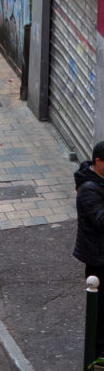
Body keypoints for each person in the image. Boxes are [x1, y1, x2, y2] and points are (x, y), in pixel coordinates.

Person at [74, 142, 104, 356]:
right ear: (98, 162)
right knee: (100, 308)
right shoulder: (88, 189)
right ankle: (98, 353)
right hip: (98, 258)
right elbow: (101, 220)